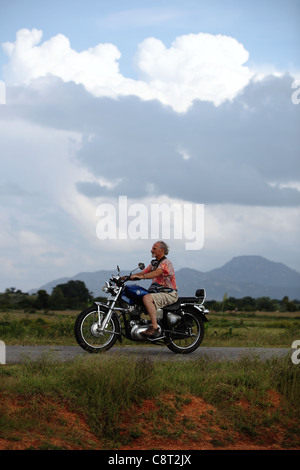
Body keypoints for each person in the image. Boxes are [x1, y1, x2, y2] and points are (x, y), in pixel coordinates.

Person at [130, 241, 178, 337]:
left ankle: (155, 327)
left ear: (162, 250)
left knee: (147, 298)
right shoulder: (155, 263)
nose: (151, 250)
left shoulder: (165, 263)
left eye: (154, 248)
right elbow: (144, 272)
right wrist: (127, 277)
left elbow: (155, 274)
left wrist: (141, 277)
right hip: (158, 292)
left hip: (169, 293)